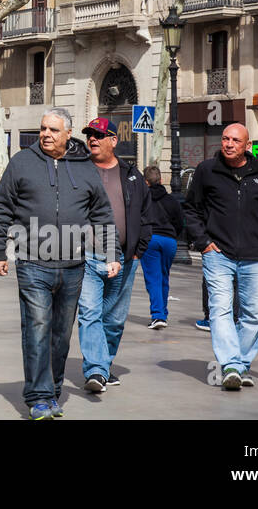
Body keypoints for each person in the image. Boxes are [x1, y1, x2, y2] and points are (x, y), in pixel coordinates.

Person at [0, 108, 116, 420]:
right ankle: (39, 397)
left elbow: (101, 212)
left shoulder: (85, 165)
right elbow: (3, 205)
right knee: (37, 328)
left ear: (67, 134)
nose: (45, 134)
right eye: (43, 128)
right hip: (33, 262)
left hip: (74, 264)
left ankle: (53, 389)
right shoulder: (22, 162)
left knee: (60, 333)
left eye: (53, 130)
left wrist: (111, 254)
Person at [183, 123, 258, 390]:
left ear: (248, 145)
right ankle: (231, 364)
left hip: (253, 256)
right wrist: (204, 243)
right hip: (217, 255)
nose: (228, 144)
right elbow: (191, 210)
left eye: (235, 140)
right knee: (220, 310)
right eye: (225, 139)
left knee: (252, 314)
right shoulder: (206, 171)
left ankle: (242, 364)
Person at [76, 117, 151, 392]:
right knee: (90, 313)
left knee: (115, 318)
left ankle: (104, 365)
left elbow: (145, 214)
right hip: (87, 256)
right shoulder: (79, 170)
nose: (92, 139)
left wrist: (137, 250)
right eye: (89, 135)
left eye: (98, 135)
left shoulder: (132, 175)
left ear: (113, 140)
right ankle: (95, 370)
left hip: (123, 258)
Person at [139, 164, 184, 329]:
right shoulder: (172, 200)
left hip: (150, 239)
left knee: (153, 279)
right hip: (169, 241)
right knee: (164, 277)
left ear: (145, 182)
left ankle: (158, 315)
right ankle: (163, 313)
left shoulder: (143, 199)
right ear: (161, 179)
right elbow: (180, 222)